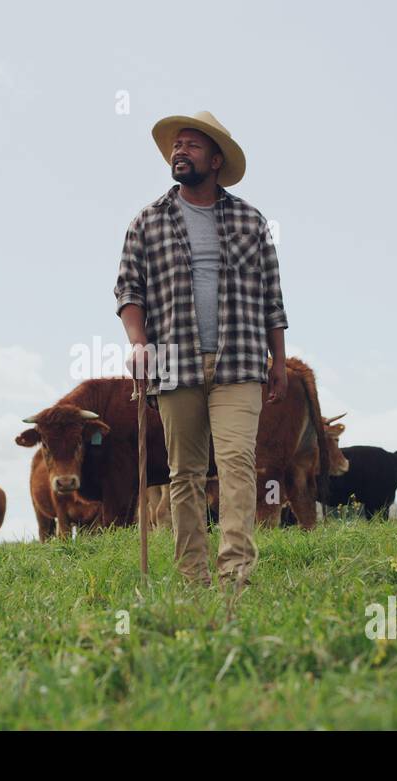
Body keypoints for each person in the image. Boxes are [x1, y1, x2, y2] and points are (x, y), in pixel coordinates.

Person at [113, 110, 288, 591]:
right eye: (176, 145)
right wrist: (138, 344)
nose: (179, 152)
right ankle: (193, 579)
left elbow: (272, 296)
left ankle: (237, 575)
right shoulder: (146, 222)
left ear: (215, 159)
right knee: (184, 474)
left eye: (190, 145)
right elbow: (129, 291)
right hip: (173, 363)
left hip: (241, 361)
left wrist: (280, 359)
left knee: (236, 463)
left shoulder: (251, 221)